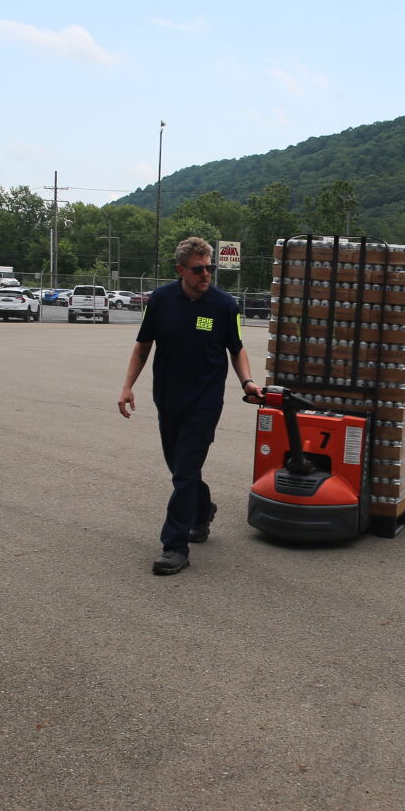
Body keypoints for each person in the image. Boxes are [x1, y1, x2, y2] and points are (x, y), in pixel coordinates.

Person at [118, 236, 261, 575]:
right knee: (179, 467)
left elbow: (236, 348)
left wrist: (247, 381)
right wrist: (127, 387)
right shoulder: (161, 300)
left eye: (209, 267)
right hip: (168, 397)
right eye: (198, 269)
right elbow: (143, 345)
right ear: (181, 269)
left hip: (205, 402)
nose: (206, 274)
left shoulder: (225, 305)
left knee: (183, 472)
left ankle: (174, 546)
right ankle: (202, 508)